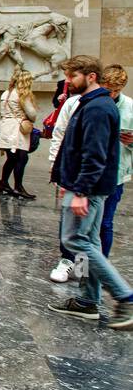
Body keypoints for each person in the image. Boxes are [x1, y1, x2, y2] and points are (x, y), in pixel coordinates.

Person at [48, 56, 133, 329]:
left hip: (86, 188)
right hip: (83, 186)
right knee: (88, 243)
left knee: (77, 242)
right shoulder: (92, 104)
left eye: (72, 76)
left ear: (91, 76)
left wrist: (81, 191)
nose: (68, 82)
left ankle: (125, 297)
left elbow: (94, 155)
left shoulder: (97, 108)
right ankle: (87, 300)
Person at [47, 83, 83, 282]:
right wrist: (56, 167)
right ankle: (70, 261)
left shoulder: (104, 107)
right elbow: (59, 134)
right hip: (76, 177)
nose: (68, 82)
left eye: (74, 76)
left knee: (95, 232)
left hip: (97, 181)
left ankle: (88, 275)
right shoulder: (73, 103)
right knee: (70, 225)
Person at [101, 64, 133, 257]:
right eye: (108, 90)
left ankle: (100, 267)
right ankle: (80, 269)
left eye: (116, 91)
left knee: (106, 222)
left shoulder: (129, 106)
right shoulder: (92, 102)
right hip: (91, 172)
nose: (112, 95)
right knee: (83, 227)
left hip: (116, 174)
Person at [0, 66, 38, 200]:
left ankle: (3, 183)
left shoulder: (6, 93)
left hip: (4, 127)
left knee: (12, 158)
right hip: (17, 130)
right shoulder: (22, 95)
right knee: (22, 158)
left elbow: (0, 111)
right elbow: (32, 115)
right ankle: (18, 187)